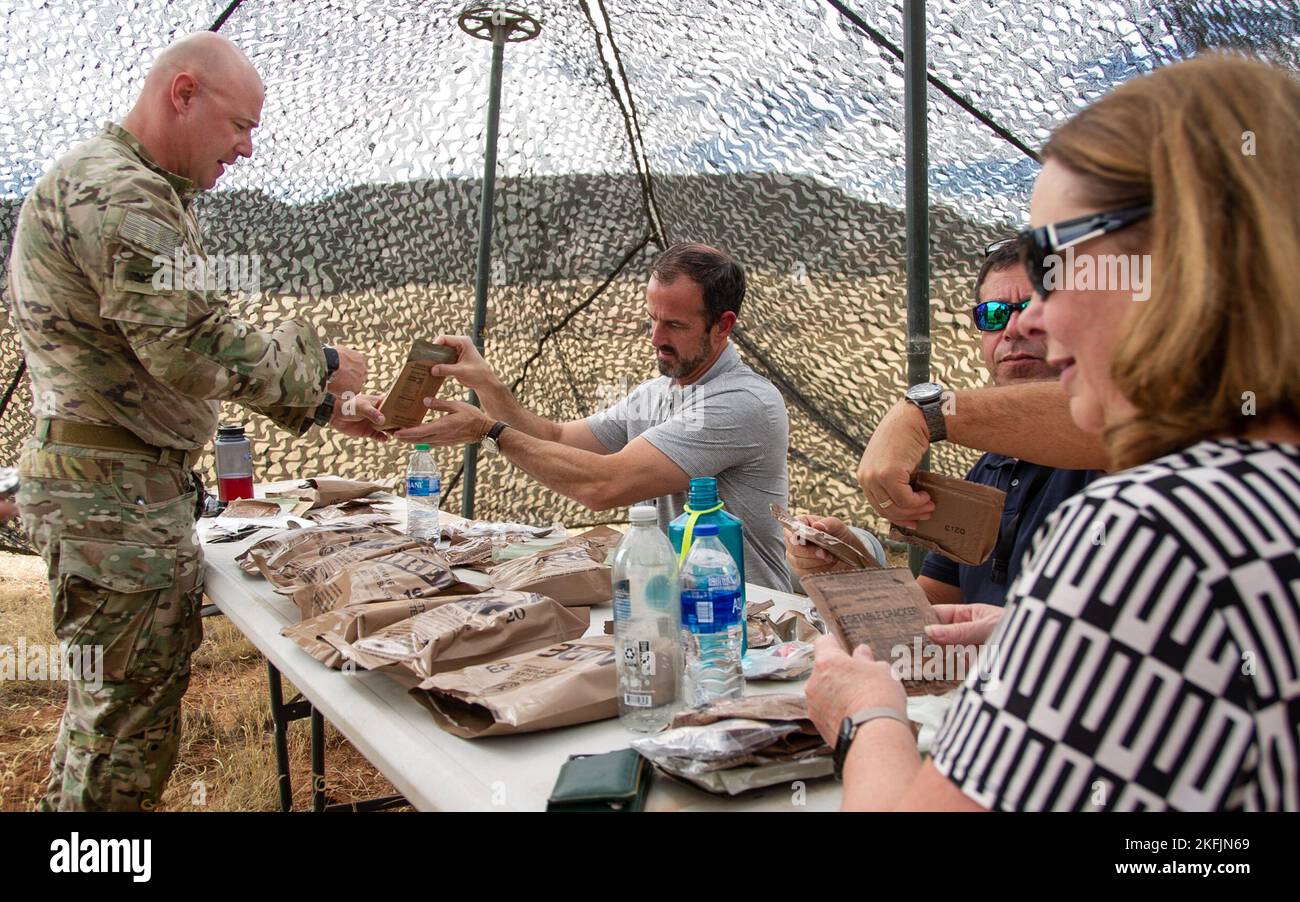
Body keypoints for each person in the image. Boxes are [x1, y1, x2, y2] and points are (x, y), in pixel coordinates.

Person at [807, 54, 1300, 811]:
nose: (1034, 318)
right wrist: (1032, 639)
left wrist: (863, 718)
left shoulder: (1154, 525)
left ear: (1183, 256)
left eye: (1053, 262)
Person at [6, 32, 385, 811]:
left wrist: (321, 408)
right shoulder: (124, 196)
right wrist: (320, 365)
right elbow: (189, 345)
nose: (246, 149)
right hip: (113, 501)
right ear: (184, 94)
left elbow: (165, 347)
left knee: (106, 725)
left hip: (118, 492)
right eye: (240, 125)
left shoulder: (129, 188)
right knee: (121, 739)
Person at [383, 242, 792, 591]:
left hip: (746, 616)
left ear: (723, 326)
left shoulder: (743, 402)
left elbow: (604, 485)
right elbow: (556, 437)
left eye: (674, 325)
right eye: (652, 319)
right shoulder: (656, 395)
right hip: (679, 604)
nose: (655, 339)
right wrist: (489, 385)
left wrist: (486, 430)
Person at [784, 241, 1103, 632]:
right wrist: (847, 566)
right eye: (994, 313)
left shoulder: (1130, 447)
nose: (1014, 328)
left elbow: (1114, 413)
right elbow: (929, 610)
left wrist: (926, 413)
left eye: (1040, 307)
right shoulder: (990, 466)